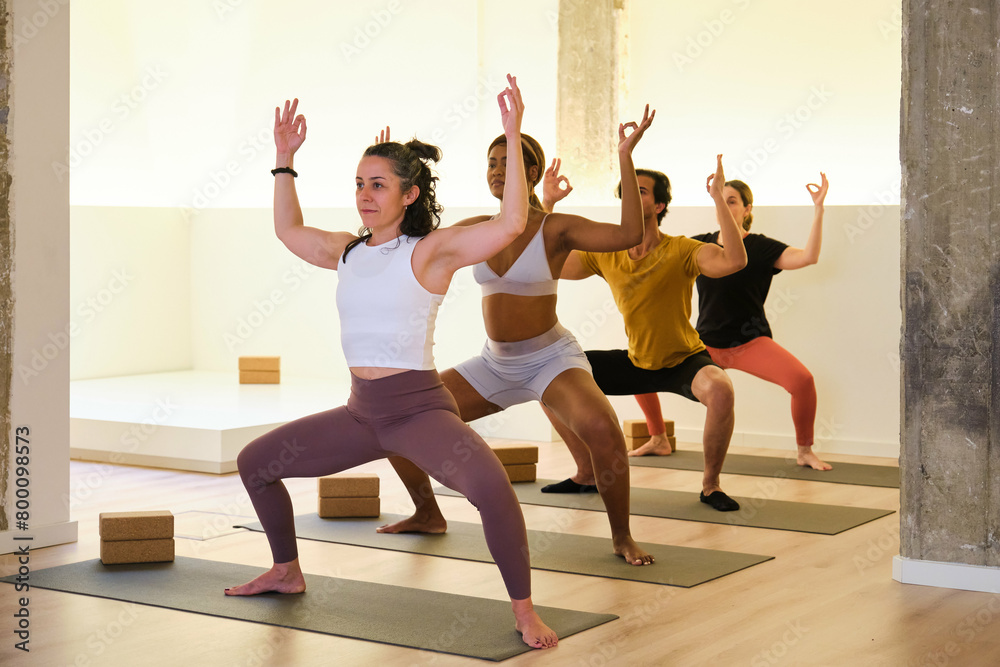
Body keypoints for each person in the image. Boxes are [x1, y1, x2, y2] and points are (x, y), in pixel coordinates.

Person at [224, 77, 559, 650]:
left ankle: (525, 612)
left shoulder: (430, 252)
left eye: (378, 185)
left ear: (409, 194)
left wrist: (511, 134)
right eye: (359, 184)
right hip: (361, 414)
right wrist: (284, 160)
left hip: (418, 412)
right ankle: (286, 570)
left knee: (493, 490)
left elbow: (509, 225)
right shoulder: (346, 250)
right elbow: (288, 230)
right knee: (255, 462)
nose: (364, 195)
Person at [377, 107, 658, 566]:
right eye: (491, 162)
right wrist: (392, 173)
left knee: (603, 429)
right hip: (495, 364)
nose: (495, 170)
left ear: (532, 173)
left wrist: (625, 156)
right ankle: (427, 513)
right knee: (396, 417)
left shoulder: (556, 228)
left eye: (506, 162)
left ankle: (622, 536)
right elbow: (408, 242)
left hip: (551, 360)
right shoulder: (476, 228)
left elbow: (630, 233)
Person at [543, 156, 748, 512]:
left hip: (684, 361)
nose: (631, 197)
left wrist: (718, 197)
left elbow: (734, 261)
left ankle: (711, 486)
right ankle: (586, 474)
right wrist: (547, 205)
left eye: (640, 191)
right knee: (547, 379)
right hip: (637, 361)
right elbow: (548, 263)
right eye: (626, 192)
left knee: (720, 389)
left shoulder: (681, 249)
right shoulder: (606, 254)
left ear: (659, 205)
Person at [632, 173, 832, 470]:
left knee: (802, 381)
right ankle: (658, 438)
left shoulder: (761, 247)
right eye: (721, 200)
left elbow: (808, 257)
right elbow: (657, 251)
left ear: (747, 209)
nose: (725, 206)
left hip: (749, 343)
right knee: (638, 370)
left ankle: (805, 452)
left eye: (733, 201)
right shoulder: (699, 245)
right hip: (703, 345)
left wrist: (819, 209)